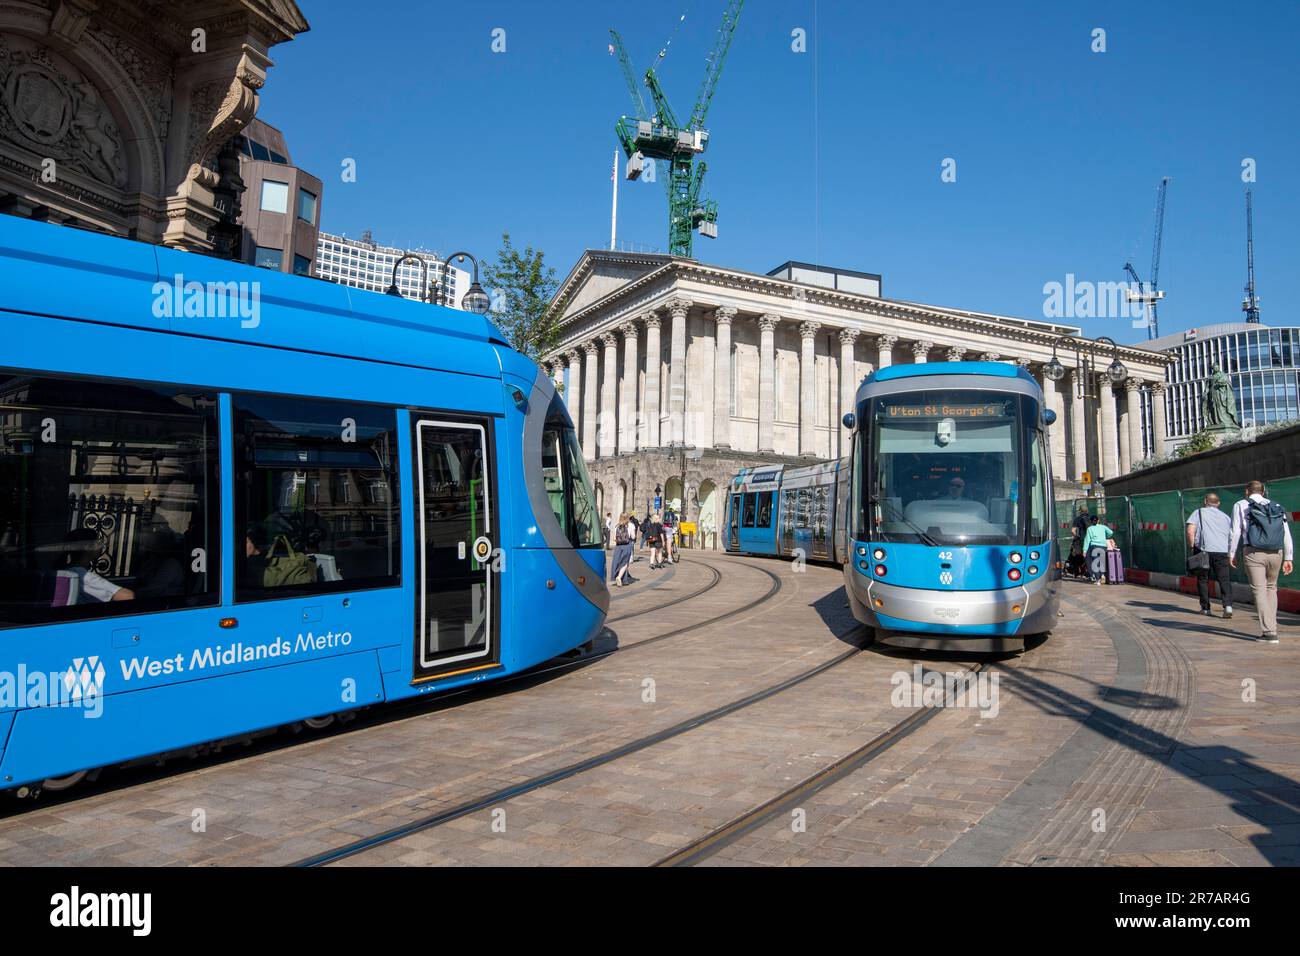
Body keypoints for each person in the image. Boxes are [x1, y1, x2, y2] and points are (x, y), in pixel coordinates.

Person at [1229, 480, 1293, 643]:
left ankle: (1269, 632)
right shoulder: (1276, 506)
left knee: (1259, 591)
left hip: (1253, 551)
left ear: (1246, 492)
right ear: (1263, 492)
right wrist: (1288, 557)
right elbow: (1285, 532)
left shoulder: (1241, 505)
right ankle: (1272, 627)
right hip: (1276, 552)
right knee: (1272, 588)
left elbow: (1235, 531)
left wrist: (1231, 553)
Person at [1185, 493, 1233, 618]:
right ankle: (1227, 606)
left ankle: (1205, 608)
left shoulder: (1198, 512)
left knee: (1203, 579)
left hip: (1203, 550)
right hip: (1222, 551)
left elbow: (1191, 530)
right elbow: (1231, 535)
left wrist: (1192, 546)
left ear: (1205, 501)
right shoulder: (1226, 517)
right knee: (1224, 579)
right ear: (1218, 503)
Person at [63, 529, 135, 603]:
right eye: (98, 541)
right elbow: (127, 596)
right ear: (88, 547)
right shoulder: (83, 576)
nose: (101, 545)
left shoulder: (67, 571)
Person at [1082, 515, 1113, 585]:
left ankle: (1098, 580)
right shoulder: (1103, 527)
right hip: (1103, 546)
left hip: (1094, 547)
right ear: (1098, 520)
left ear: (1090, 521)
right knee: (1101, 562)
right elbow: (1111, 532)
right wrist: (1106, 536)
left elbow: (1087, 540)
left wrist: (1084, 550)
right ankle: (1102, 575)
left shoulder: (1089, 529)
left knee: (1095, 563)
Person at [609, 513, 636, 586]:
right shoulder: (630, 525)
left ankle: (624, 579)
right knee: (625, 562)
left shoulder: (617, 526)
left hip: (618, 546)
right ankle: (619, 577)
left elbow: (614, 538)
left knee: (617, 562)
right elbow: (633, 537)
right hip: (627, 545)